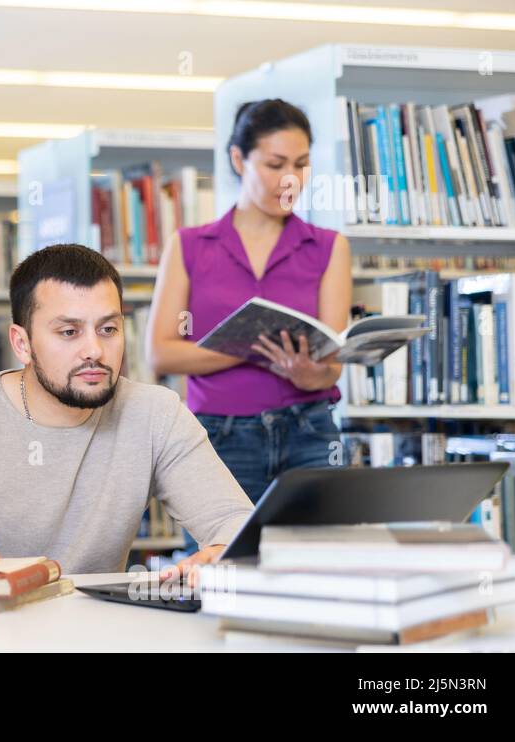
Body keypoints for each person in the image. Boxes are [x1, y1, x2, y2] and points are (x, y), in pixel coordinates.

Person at [0, 244, 254, 582]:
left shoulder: (156, 414)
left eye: (108, 329)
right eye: (69, 332)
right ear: (22, 343)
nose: (94, 350)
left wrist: (221, 552)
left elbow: (237, 522)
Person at [146, 99, 351, 552]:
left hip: (310, 431)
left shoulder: (328, 248)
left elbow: (331, 363)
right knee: (224, 568)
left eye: (301, 164)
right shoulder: (191, 246)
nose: (290, 178)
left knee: (322, 569)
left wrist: (308, 372)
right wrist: (248, 348)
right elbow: (160, 353)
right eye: (275, 164)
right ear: (239, 160)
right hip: (218, 438)